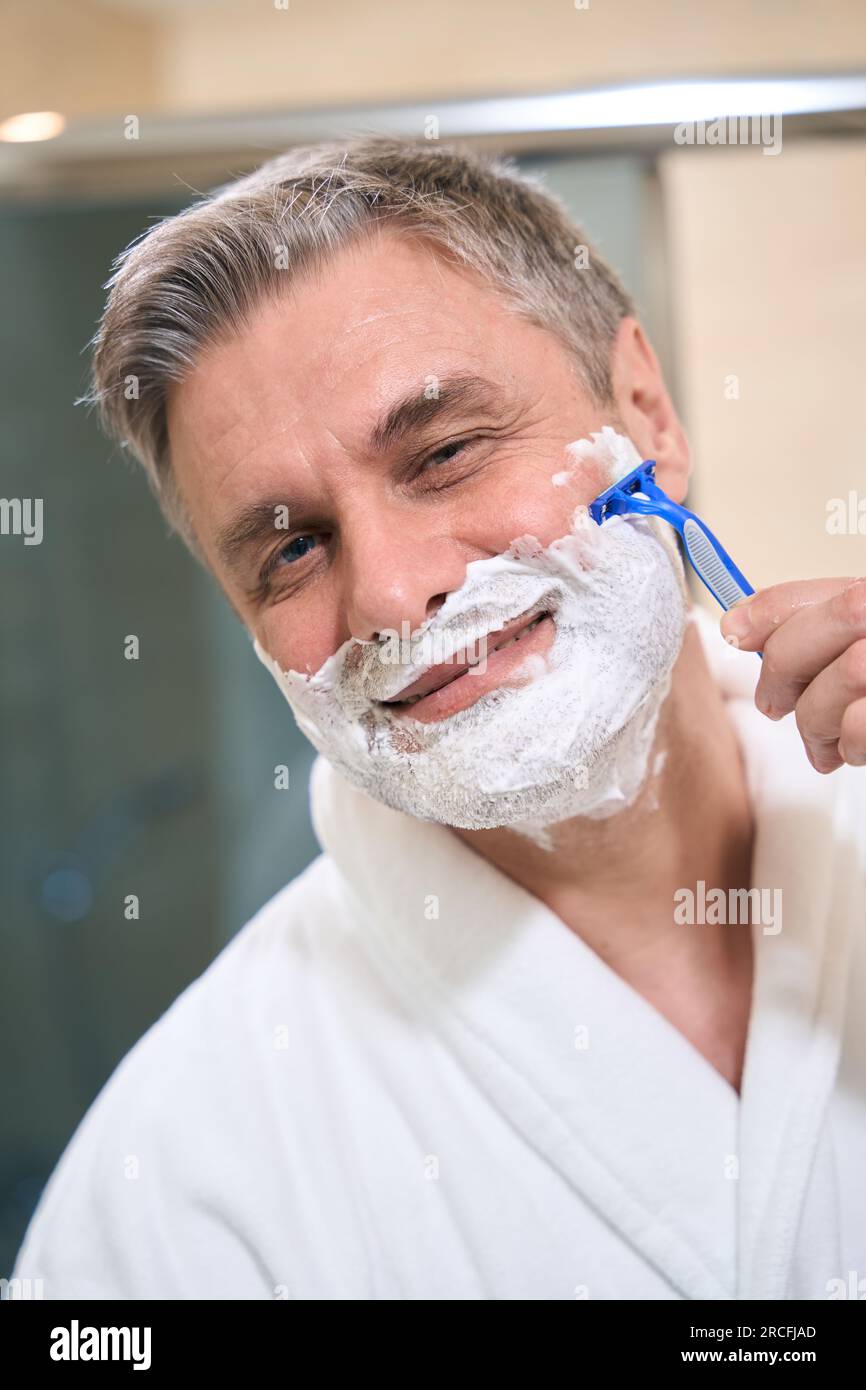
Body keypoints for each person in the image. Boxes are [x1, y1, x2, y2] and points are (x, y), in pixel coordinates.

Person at [10, 137, 866, 1300]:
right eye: (291, 547)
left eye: (446, 451)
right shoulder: (171, 1191)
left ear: (645, 412)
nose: (388, 594)